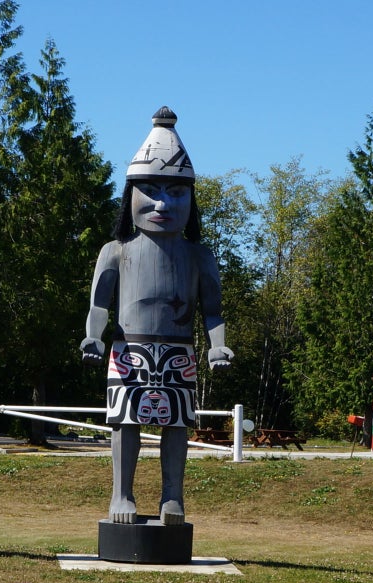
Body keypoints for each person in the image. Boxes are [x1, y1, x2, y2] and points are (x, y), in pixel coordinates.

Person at [81, 107, 232, 526]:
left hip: (178, 349)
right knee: (125, 421)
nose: (163, 202)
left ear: (192, 199)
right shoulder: (116, 250)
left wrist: (217, 346)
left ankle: (172, 498)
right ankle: (121, 493)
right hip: (129, 349)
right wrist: (93, 337)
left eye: (177, 192)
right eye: (151, 190)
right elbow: (99, 305)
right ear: (130, 194)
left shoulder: (199, 256)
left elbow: (213, 310)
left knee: (176, 424)